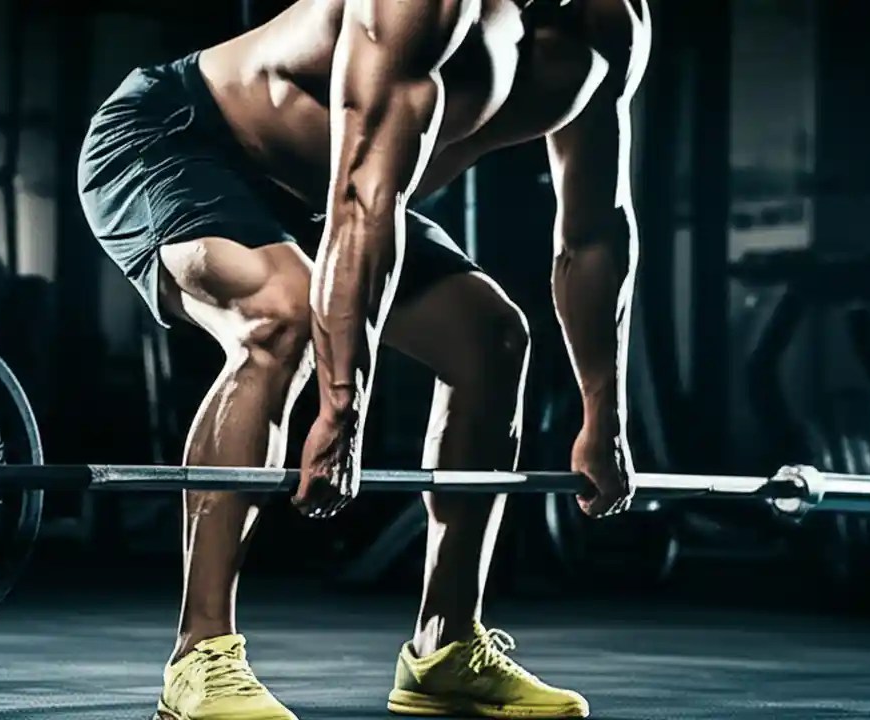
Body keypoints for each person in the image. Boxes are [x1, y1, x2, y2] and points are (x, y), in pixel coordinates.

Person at [78, 0, 650, 717]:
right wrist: (341, 407)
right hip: (181, 140)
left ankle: (445, 652)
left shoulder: (611, 28)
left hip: (325, 190)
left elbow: (595, 235)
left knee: (492, 338)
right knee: (278, 316)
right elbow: (364, 201)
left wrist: (605, 414)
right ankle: (200, 659)